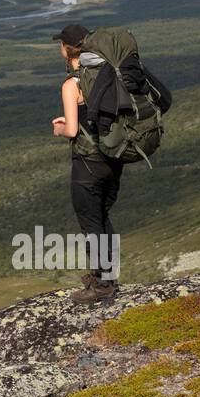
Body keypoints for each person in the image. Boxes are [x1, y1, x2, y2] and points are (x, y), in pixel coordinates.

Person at [50, 23, 121, 304]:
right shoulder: (108, 75)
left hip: (87, 164)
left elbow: (71, 130)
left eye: (61, 45)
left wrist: (59, 127)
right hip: (113, 161)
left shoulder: (72, 84)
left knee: (91, 223)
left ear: (69, 49)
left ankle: (102, 286)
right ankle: (107, 276)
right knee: (103, 217)